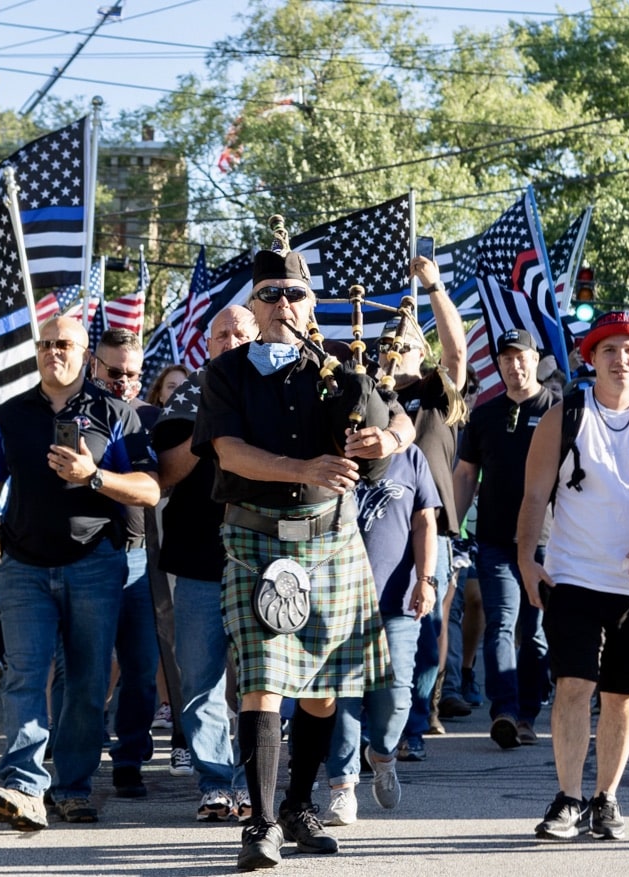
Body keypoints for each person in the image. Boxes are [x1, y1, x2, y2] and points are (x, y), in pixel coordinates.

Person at [193, 246, 414, 869]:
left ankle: (296, 806)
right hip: (257, 539)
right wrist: (302, 467)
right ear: (254, 305)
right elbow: (228, 452)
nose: (283, 304)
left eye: (294, 294)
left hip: (331, 540)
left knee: (324, 690)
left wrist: (386, 438)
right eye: (270, 294)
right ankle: (259, 825)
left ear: (310, 303)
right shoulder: (227, 373)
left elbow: (399, 422)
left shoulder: (345, 370)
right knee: (262, 683)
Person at [0, 316, 160, 832]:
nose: (55, 352)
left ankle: (72, 788)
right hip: (23, 567)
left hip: (96, 564)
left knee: (86, 683)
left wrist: (92, 476)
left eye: (65, 344)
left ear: (85, 355)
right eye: (47, 344)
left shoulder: (115, 413)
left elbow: (149, 489)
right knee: (27, 674)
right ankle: (26, 787)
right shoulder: (10, 415)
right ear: (38, 351)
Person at [515, 311, 629, 841]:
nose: (621, 359)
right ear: (591, 359)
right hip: (575, 576)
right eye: (609, 350)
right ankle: (568, 799)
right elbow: (535, 496)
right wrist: (526, 559)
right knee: (573, 686)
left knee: (622, 695)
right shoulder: (564, 417)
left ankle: (606, 799)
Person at [153, 304, 259, 822]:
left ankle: (254, 784)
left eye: (241, 331)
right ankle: (217, 783)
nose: (231, 340)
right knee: (200, 681)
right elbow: (167, 472)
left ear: (257, 335)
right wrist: (211, 425)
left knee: (261, 679)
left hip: (265, 559)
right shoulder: (190, 393)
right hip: (198, 562)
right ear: (208, 343)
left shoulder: (280, 391)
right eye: (221, 334)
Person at [321, 445, 439, 825]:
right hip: (339, 596)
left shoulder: (411, 456)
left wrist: (426, 579)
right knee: (344, 695)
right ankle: (343, 786)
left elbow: (425, 521)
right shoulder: (330, 447)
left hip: (398, 597)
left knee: (396, 696)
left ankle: (383, 755)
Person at [453, 328, 558, 749]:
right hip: (494, 539)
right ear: (498, 365)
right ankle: (505, 712)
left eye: (521, 357)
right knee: (500, 623)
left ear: (535, 360)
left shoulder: (557, 409)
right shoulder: (484, 414)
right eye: (506, 359)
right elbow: (465, 474)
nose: (515, 366)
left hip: (547, 542)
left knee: (534, 630)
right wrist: (451, 527)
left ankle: (529, 711)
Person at [391, 255, 468, 761]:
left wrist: (434, 287)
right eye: (391, 345)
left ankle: (414, 726)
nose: (397, 351)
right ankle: (376, 725)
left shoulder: (438, 393)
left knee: (424, 628)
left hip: (431, 528)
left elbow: (458, 352)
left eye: (406, 344)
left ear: (422, 351)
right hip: (374, 525)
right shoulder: (369, 394)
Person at [88, 327, 164, 798]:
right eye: (115, 373)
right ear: (94, 366)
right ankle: (74, 753)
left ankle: (130, 757)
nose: (124, 384)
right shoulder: (78, 415)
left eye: (133, 376)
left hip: (141, 557)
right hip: (89, 554)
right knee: (84, 665)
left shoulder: (151, 418)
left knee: (140, 668)